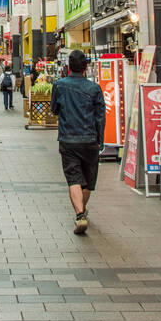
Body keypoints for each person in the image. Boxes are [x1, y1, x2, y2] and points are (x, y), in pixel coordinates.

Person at [51, 50, 105, 235]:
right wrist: (100, 139)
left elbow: (54, 109)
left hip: (68, 139)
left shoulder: (59, 85)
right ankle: (82, 211)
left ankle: (80, 214)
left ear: (68, 66)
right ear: (86, 67)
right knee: (88, 182)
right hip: (90, 139)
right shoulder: (95, 88)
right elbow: (100, 117)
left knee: (74, 178)